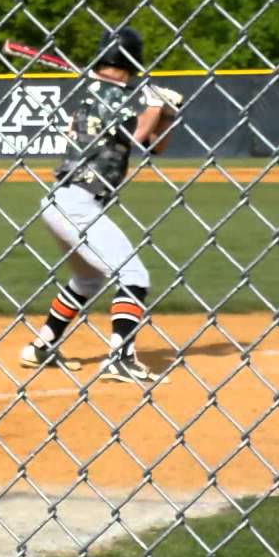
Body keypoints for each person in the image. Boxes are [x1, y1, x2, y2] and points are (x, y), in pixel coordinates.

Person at [19, 27, 182, 384]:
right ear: (133, 59)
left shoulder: (113, 94)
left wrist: (166, 112)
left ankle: (41, 345)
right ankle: (120, 359)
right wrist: (154, 102)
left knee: (88, 278)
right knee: (134, 275)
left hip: (64, 201)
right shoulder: (107, 93)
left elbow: (154, 145)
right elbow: (139, 135)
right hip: (78, 202)